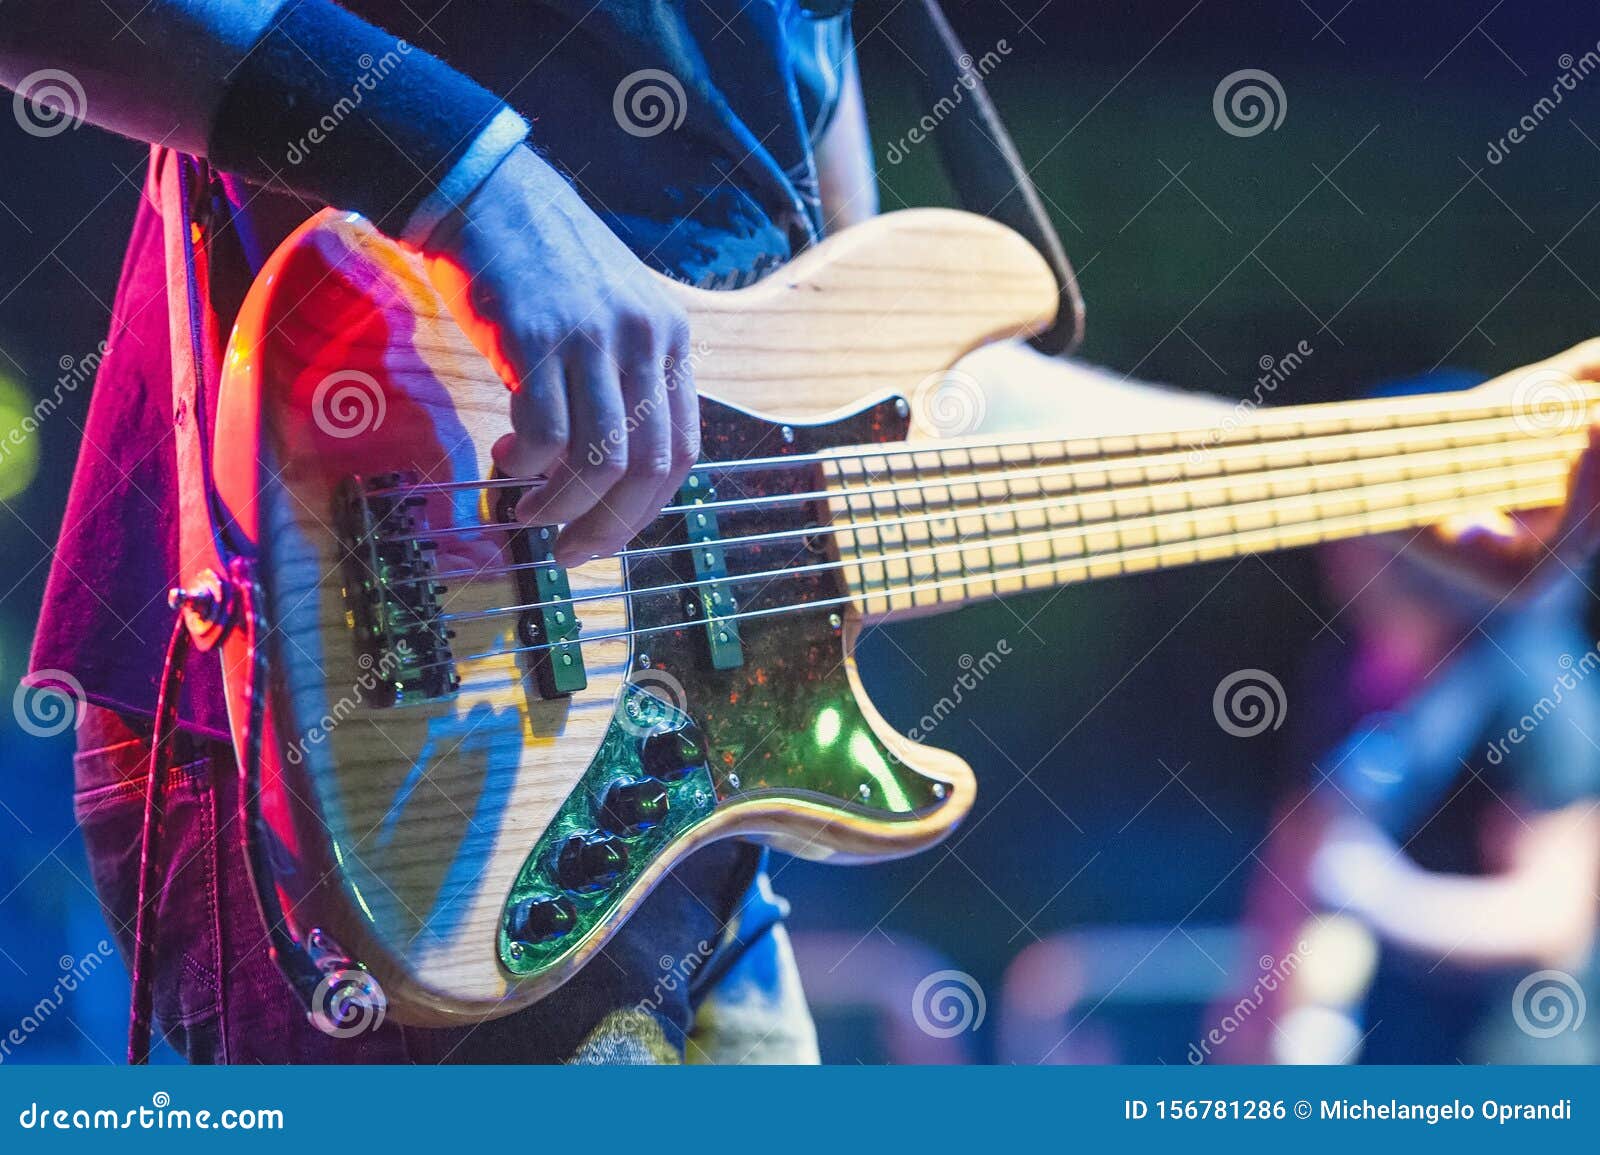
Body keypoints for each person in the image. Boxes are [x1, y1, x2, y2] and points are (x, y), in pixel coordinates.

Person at [6, 0, 1600, 1065]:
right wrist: (469, 178)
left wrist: (1394, 470)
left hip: (684, 847)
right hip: (344, 714)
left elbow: (921, 412)